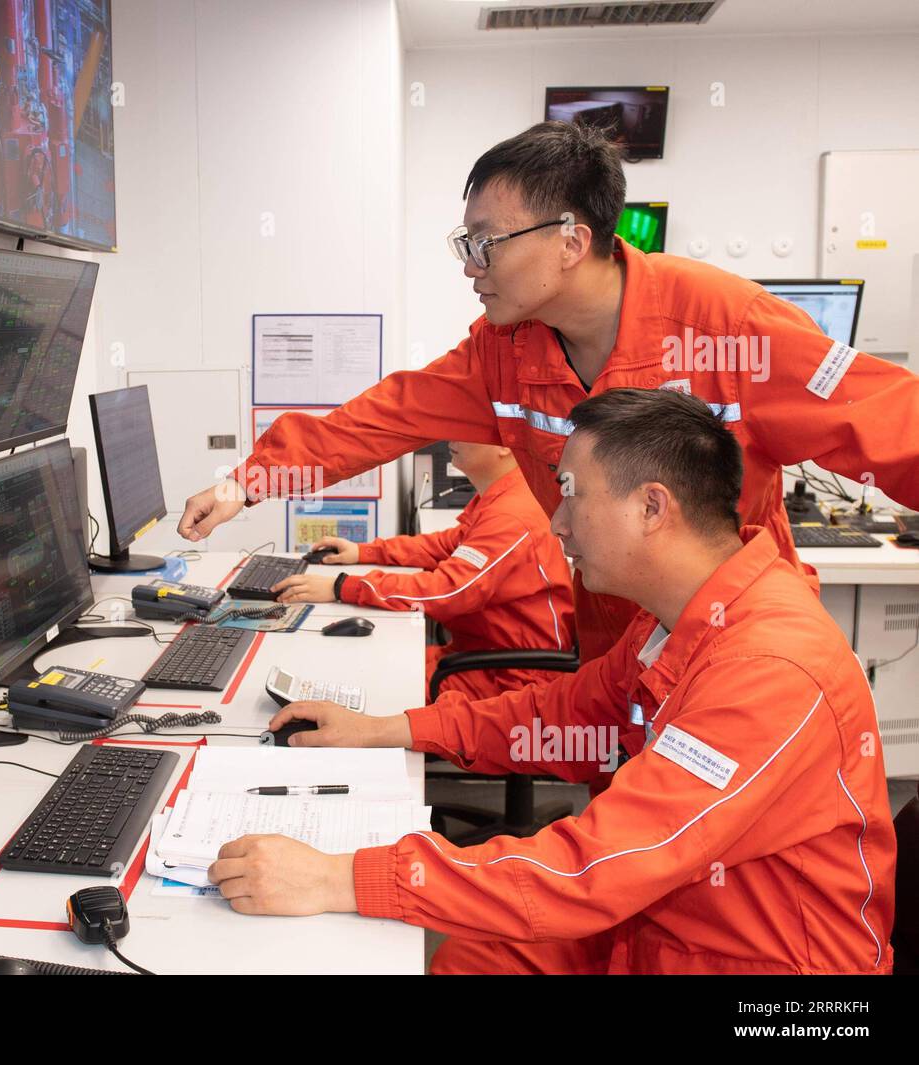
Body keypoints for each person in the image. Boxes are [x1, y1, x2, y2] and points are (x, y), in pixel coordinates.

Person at [207, 389, 897, 975]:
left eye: (570, 495)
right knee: (470, 958)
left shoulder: (769, 669)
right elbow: (566, 710)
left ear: (653, 508)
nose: (558, 521)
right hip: (662, 922)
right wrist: (388, 729)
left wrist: (340, 877)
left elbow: (600, 866)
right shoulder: (680, 616)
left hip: (764, 971)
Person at [178, 121, 919, 661]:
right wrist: (248, 482)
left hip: (739, 639)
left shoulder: (728, 326)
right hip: (613, 643)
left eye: (485, 242)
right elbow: (383, 417)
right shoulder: (502, 349)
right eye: (463, 244)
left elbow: (889, 420)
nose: (470, 265)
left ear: (570, 239)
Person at [272, 442, 574, 700]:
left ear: (505, 447)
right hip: (480, 657)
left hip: (513, 680)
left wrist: (343, 588)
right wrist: (364, 552)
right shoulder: (506, 497)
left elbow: (448, 591)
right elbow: (446, 545)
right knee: (367, 663)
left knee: (370, 686)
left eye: (469, 429)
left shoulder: (513, 515)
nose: (452, 436)